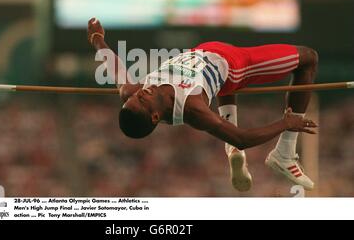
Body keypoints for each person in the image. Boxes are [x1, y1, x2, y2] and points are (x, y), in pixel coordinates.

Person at [87, 18, 318, 191]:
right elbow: (242, 137)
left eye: (135, 97)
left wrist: (97, 38)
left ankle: (233, 152)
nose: (140, 92)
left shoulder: (133, 94)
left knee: (218, 88)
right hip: (237, 65)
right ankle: (285, 152)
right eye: (142, 100)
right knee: (308, 57)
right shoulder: (192, 109)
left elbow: (113, 66)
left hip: (205, 51)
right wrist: (285, 123)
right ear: (155, 116)